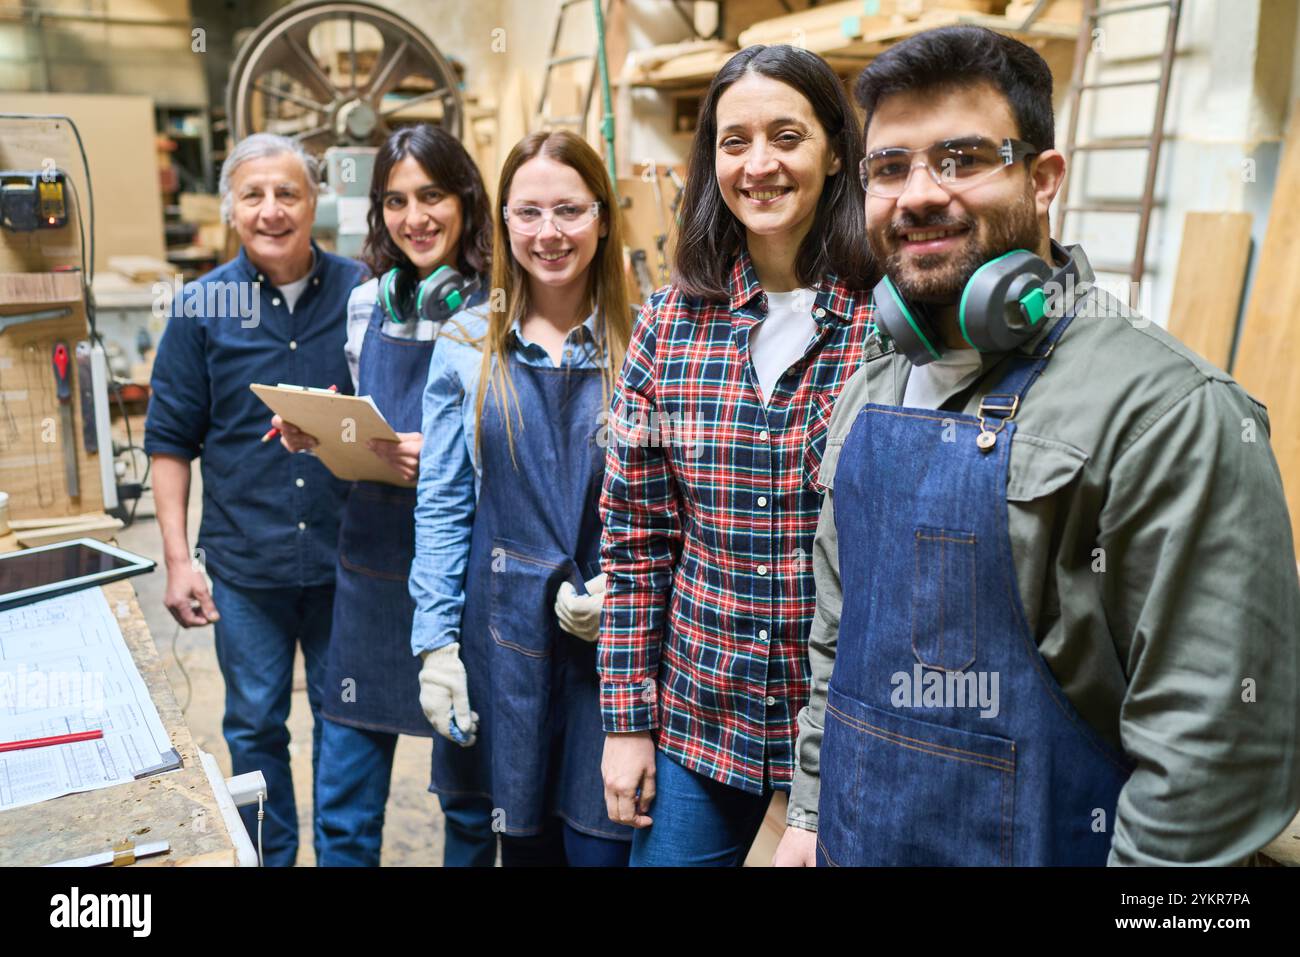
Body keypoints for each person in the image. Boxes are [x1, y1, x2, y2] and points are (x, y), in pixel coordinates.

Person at [775, 25, 1300, 867]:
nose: (918, 194)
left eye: (963, 158)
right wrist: (809, 810)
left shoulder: (1168, 412)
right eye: (889, 167)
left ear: (1045, 177)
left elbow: (1209, 769)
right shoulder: (870, 393)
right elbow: (837, 643)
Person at [598, 44, 877, 866]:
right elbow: (636, 539)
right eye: (734, 141)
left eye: (786, 136)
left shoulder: (889, 325)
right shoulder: (668, 324)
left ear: (834, 150)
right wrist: (625, 719)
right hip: (701, 710)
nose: (760, 164)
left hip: (850, 719)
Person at [272, 125, 498, 867]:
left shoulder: (501, 307)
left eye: (431, 196)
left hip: (463, 577)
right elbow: (366, 410)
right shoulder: (368, 304)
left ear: (465, 199)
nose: (415, 218)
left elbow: (527, 449)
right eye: (396, 201)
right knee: (343, 802)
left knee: (469, 804)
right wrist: (323, 431)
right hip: (369, 566)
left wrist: (451, 458)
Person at [409, 130, 634, 866]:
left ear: (602, 217)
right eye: (528, 212)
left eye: (568, 210)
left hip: (615, 656)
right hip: (504, 643)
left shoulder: (646, 341)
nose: (549, 233)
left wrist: (627, 589)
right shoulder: (468, 343)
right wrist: (437, 643)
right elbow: (444, 504)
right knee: (524, 845)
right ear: (503, 221)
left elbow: (681, 504)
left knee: (601, 845)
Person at [144, 133, 367, 867]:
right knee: (254, 728)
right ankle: (271, 859)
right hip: (247, 566)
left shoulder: (364, 292)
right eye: (254, 195)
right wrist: (178, 561)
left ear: (314, 203)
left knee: (350, 724)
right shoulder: (201, 307)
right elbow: (171, 441)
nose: (272, 211)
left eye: (288, 194)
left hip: (351, 560)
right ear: (232, 208)